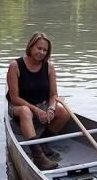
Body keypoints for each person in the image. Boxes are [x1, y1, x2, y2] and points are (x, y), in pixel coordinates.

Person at [7, 32, 71, 170]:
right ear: (31, 47)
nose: (41, 52)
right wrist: (36, 110)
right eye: (39, 48)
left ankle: (42, 142)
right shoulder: (15, 66)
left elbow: (54, 95)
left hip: (41, 105)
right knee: (25, 111)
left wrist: (51, 109)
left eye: (45, 50)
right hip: (19, 106)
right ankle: (38, 156)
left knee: (64, 112)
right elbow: (15, 98)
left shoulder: (49, 67)